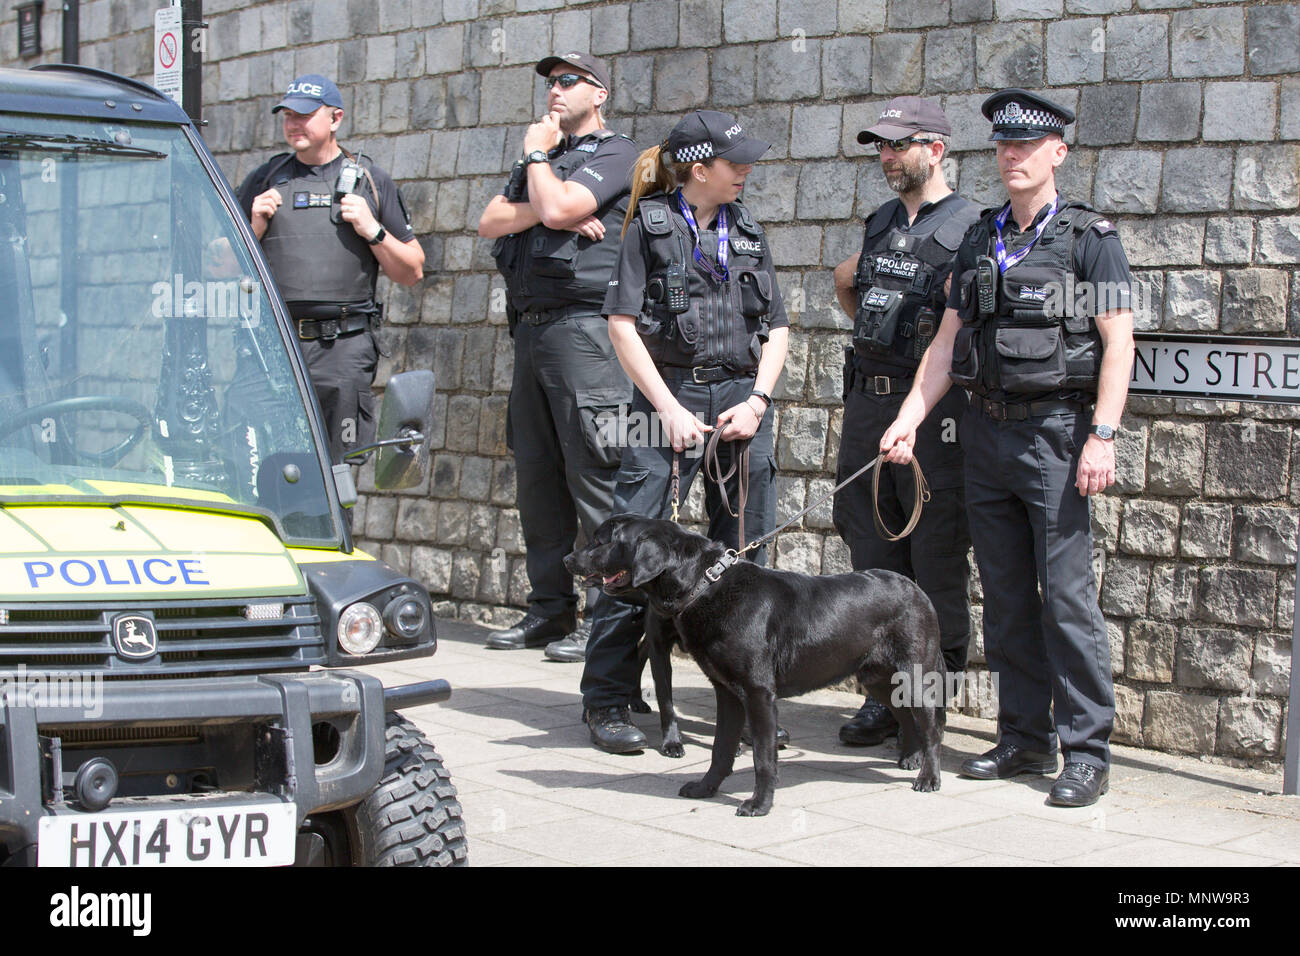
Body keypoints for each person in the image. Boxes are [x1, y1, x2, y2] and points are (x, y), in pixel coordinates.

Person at [879, 89, 1135, 807]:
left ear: (1057, 153)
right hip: (985, 435)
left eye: (1026, 146)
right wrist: (908, 418)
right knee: (1008, 597)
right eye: (1002, 146)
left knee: (1068, 602)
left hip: (1057, 435)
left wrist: (1103, 436)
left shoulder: (1090, 237)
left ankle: (1085, 752)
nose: (1012, 157)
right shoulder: (980, 235)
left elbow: (1119, 343)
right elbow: (946, 342)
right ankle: (1024, 737)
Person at [579, 109, 790, 752]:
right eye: (736, 162)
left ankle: (748, 702)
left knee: (742, 561)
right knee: (630, 554)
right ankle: (609, 699)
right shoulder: (650, 227)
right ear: (700, 168)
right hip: (665, 398)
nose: (746, 170)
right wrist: (668, 407)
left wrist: (758, 399)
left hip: (739, 405)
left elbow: (777, 327)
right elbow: (622, 325)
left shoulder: (748, 230)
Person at [477, 52, 638, 658]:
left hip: (585, 332)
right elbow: (491, 220)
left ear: (599, 93)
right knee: (537, 480)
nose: (555, 90)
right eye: (549, 82)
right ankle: (549, 610)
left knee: (595, 477)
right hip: (531, 331)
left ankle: (606, 618)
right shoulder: (543, 161)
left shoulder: (617, 153)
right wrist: (549, 207)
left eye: (568, 81)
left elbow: (560, 208)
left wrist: (548, 185)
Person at [831, 97, 979, 748]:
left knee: (934, 562)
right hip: (868, 402)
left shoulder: (972, 225)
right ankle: (884, 702)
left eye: (898, 146)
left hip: (935, 415)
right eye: (880, 148)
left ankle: (927, 715)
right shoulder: (883, 220)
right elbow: (852, 288)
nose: (887, 158)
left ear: (937, 149)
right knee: (873, 562)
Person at [237, 74, 424, 467]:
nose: (293, 123)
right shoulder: (265, 179)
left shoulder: (370, 181)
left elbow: (412, 271)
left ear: (335, 119)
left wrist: (372, 230)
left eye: (304, 115)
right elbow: (217, 265)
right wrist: (253, 227)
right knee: (266, 468)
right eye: (287, 115)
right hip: (273, 348)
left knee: (336, 473)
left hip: (341, 350)